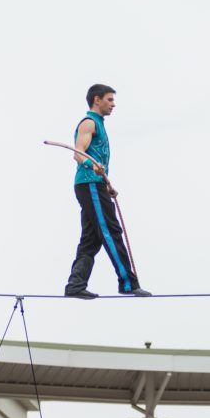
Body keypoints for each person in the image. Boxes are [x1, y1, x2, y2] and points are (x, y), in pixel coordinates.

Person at [65, 84, 152, 300]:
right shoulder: (89, 122)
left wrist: (107, 185)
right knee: (111, 231)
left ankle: (75, 285)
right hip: (90, 184)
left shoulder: (99, 125)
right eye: (110, 100)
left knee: (91, 239)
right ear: (97, 99)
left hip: (96, 185)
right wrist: (92, 167)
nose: (113, 105)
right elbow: (78, 153)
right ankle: (128, 283)